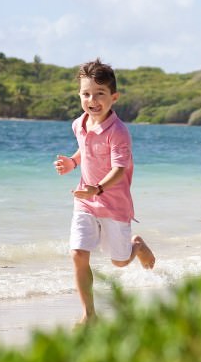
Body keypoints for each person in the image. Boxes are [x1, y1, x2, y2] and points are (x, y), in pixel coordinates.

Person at [54, 58, 155, 323]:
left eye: (100, 94)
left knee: (119, 262)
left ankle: (137, 245)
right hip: (85, 202)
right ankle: (90, 315)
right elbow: (85, 149)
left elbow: (119, 169)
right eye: (86, 94)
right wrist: (73, 163)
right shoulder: (79, 124)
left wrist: (96, 188)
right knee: (77, 253)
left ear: (114, 97)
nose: (92, 100)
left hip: (114, 205)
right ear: (79, 95)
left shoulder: (119, 132)